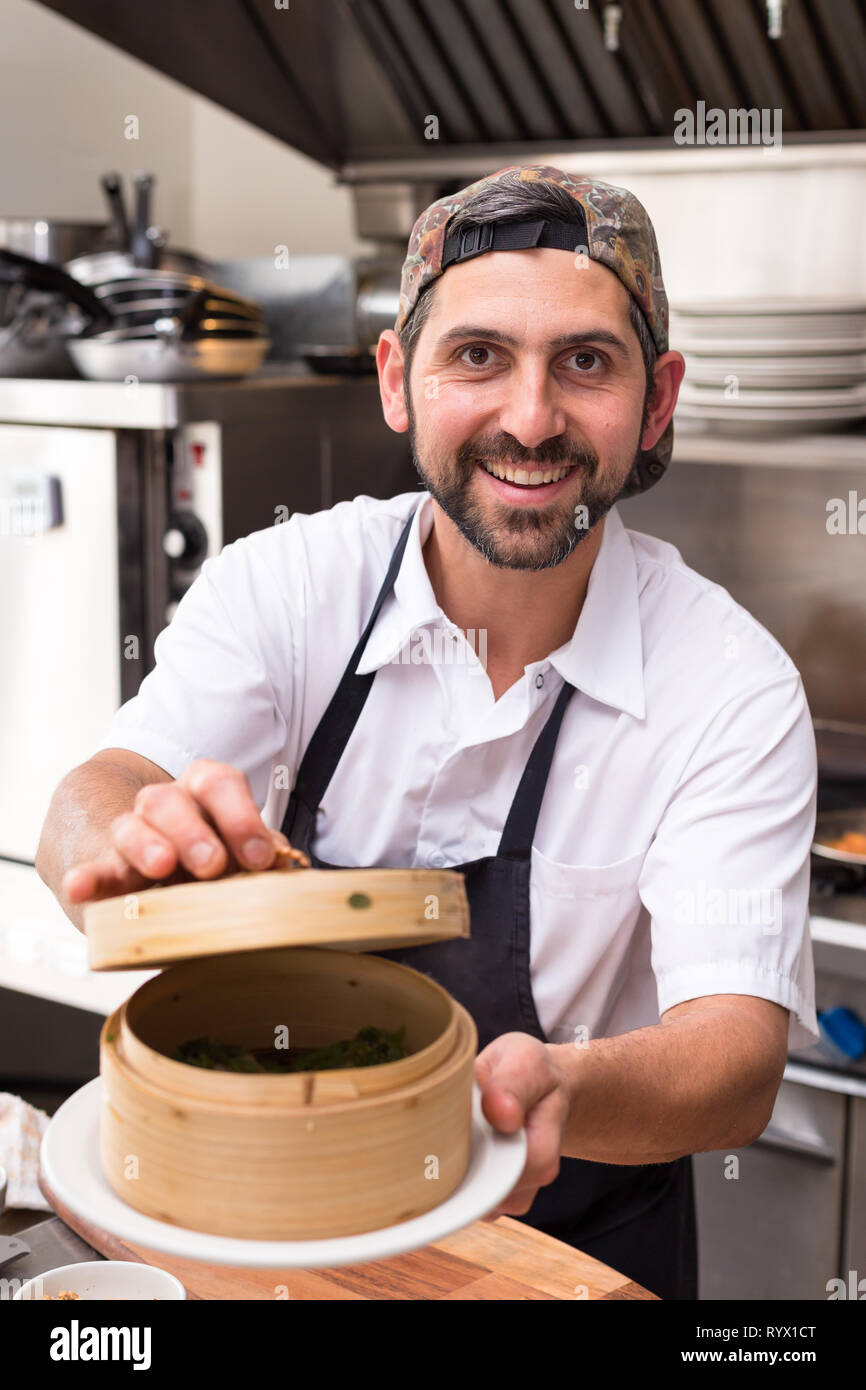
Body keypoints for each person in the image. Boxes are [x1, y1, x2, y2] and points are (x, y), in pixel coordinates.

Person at [37, 165, 819, 1301]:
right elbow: (97, 790)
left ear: (655, 402)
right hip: (272, 1220)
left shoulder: (730, 684)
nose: (530, 417)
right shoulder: (287, 584)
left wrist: (556, 1089)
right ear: (398, 381)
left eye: (584, 363)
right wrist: (121, 846)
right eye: (478, 355)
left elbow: (735, 1060)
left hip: (566, 1247)